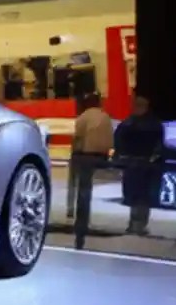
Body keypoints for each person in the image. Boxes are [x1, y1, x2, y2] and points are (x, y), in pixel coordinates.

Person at [115, 94, 165, 235]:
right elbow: (159, 145)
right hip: (146, 163)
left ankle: (135, 223)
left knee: (135, 195)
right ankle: (140, 224)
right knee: (143, 196)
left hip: (133, 163)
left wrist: (122, 155)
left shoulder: (128, 123)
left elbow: (119, 140)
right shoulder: (155, 124)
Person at [70, 92, 114, 235]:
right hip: (103, 156)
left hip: (86, 155)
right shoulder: (106, 117)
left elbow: (78, 138)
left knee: (83, 189)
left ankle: (80, 218)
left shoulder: (83, 117)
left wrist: (74, 154)